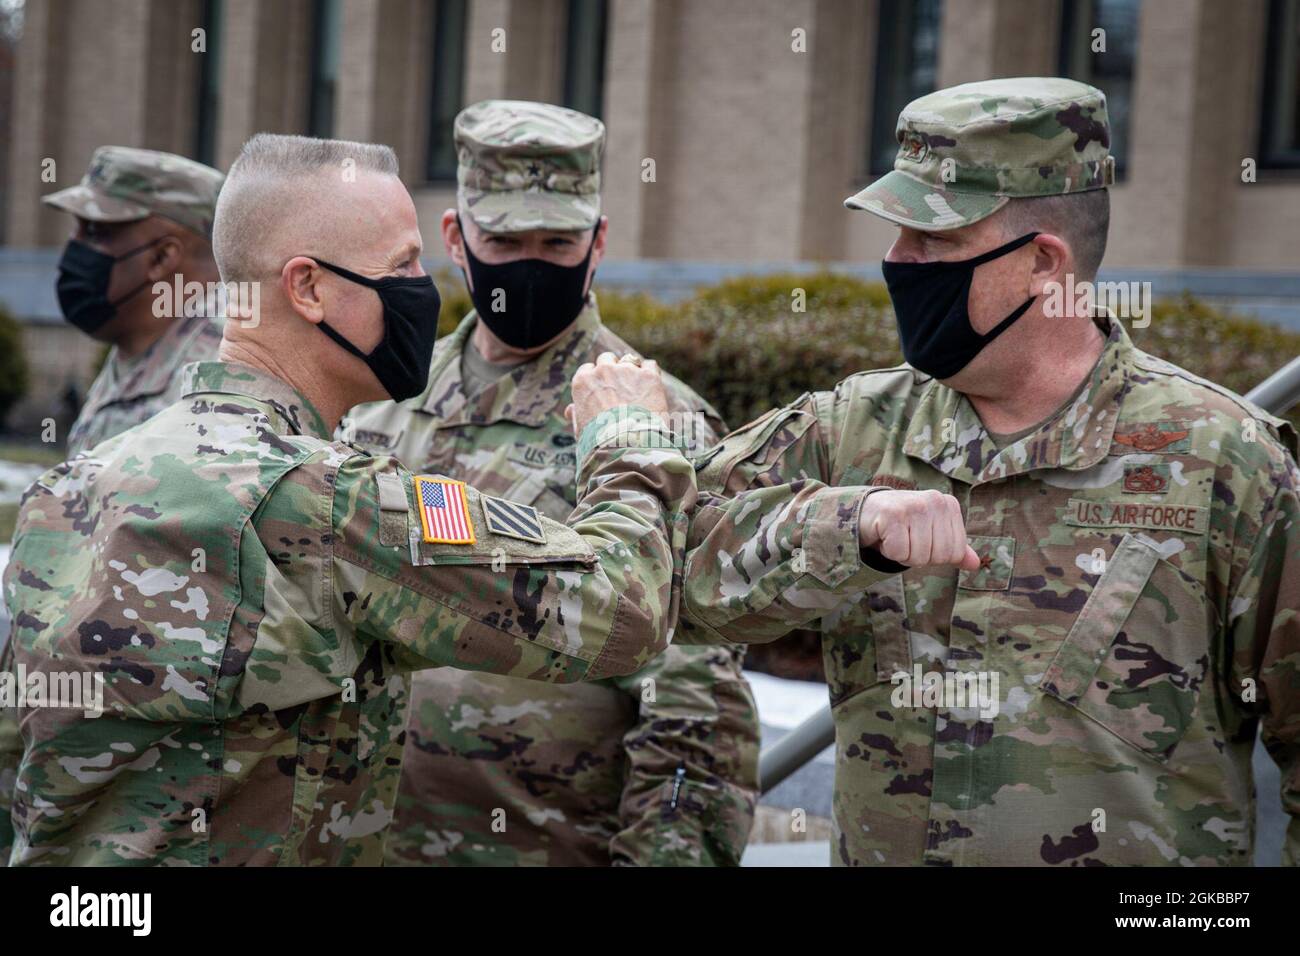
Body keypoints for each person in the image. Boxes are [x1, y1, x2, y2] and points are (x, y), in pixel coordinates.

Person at [0, 133, 693, 866]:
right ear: (308, 288)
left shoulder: (77, 481)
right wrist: (628, 434)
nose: (425, 290)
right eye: (401, 267)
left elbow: (20, 747)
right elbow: (625, 610)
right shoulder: (330, 505)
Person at [679, 77, 1300, 866]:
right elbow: (662, 577)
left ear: (1044, 263)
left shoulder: (1226, 462)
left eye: (933, 242)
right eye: (898, 235)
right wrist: (839, 531)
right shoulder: (847, 430)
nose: (898, 263)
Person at [345, 100, 759, 867]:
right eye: (504, 240)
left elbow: (696, 715)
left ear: (597, 244)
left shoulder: (656, 424)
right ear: (455, 239)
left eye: (557, 242)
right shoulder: (377, 403)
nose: (529, 264)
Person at [44, 146, 225, 457]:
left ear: (163, 256)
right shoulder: (140, 345)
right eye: (78, 228)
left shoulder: (214, 380)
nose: (74, 245)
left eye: (96, 231)